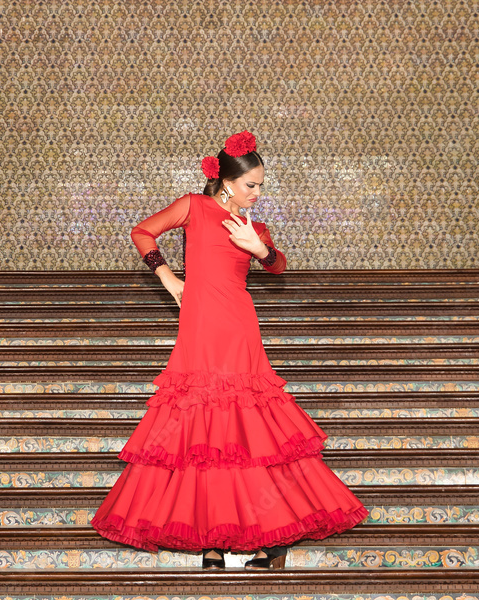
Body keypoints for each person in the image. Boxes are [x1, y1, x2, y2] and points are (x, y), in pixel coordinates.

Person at [91, 130, 368, 570]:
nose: (257, 193)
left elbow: (278, 267)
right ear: (226, 182)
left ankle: (265, 539)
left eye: (260, 185)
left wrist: (260, 248)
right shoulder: (195, 207)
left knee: (247, 433)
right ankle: (212, 542)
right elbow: (142, 231)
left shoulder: (255, 226)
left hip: (238, 326)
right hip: (200, 323)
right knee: (204, 434)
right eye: (251, 185)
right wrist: (167, 277)